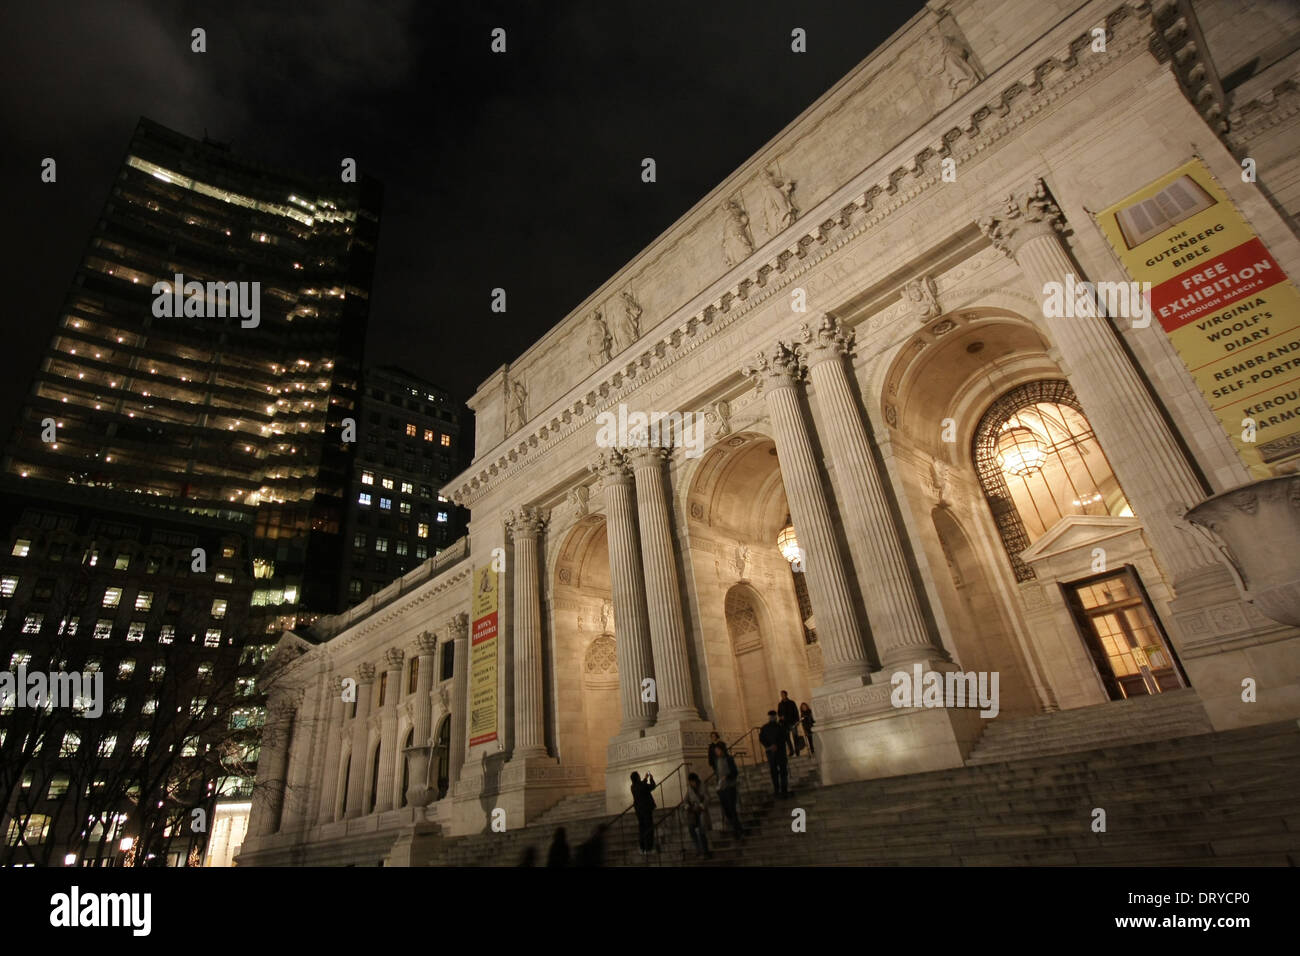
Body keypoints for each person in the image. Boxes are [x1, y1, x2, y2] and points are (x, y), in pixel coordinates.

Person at [714, 741, 743, 838]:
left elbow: (734, 772)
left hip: (730, 787)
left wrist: (727, 777)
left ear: (722, 750)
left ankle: (737, 830)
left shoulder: (729, 759)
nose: (716, 752)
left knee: (732, 809)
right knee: (727, 810)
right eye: (716, 751)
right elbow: (718, 774)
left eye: (718, 750)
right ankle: (737, 827)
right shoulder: (717, 761)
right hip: (722, 788)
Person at [759, 710, 790, 797]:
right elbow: (762, 738)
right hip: (773, 752)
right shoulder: (766, 727)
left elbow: (784, 737)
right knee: (775, 772)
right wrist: (771, 746)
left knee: (781, 771)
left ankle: (782, 790)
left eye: (773, 716)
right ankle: (778, 790)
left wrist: (773, 745)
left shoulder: (779, 726)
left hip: (778, 751)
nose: (772, 718)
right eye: (771, 716)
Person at [684, 773, 712, 858]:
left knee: (702, 832)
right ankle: (698, 849)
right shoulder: (689, 789)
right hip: (693, 813)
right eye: (690, 782)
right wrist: (687, 806)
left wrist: (702, 805)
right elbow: (685, 800)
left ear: (695, 780)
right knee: (691, 830)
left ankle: (705, 851)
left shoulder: (702, 786)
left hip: (701, 812)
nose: (691, 783)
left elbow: (707, 797)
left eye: (692, 781)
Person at [630, 771, 657, 855]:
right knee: (649, 828)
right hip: (646, 809)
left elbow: (641, 785)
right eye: (639, 776)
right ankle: (649, 847)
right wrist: (651, 778)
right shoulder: (642, 785)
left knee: (642, 829)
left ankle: (642, 848)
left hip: (639, 811)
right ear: (638, 777)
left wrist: (645, 779)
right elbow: (652, 786)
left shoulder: (633, 787)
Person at [778, 690, 802, 756]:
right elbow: (779, 713)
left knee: (795, 737)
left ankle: (797, 750)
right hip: (784, 724)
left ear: (786, 695)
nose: (782, 695)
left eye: (783, 694)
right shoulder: (780, 704)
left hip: (792, 722)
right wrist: (781, 717)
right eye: (781, 694)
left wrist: (797, 721)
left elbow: (796, 711)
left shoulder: (791, 702)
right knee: (787, 738)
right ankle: (791, 751)